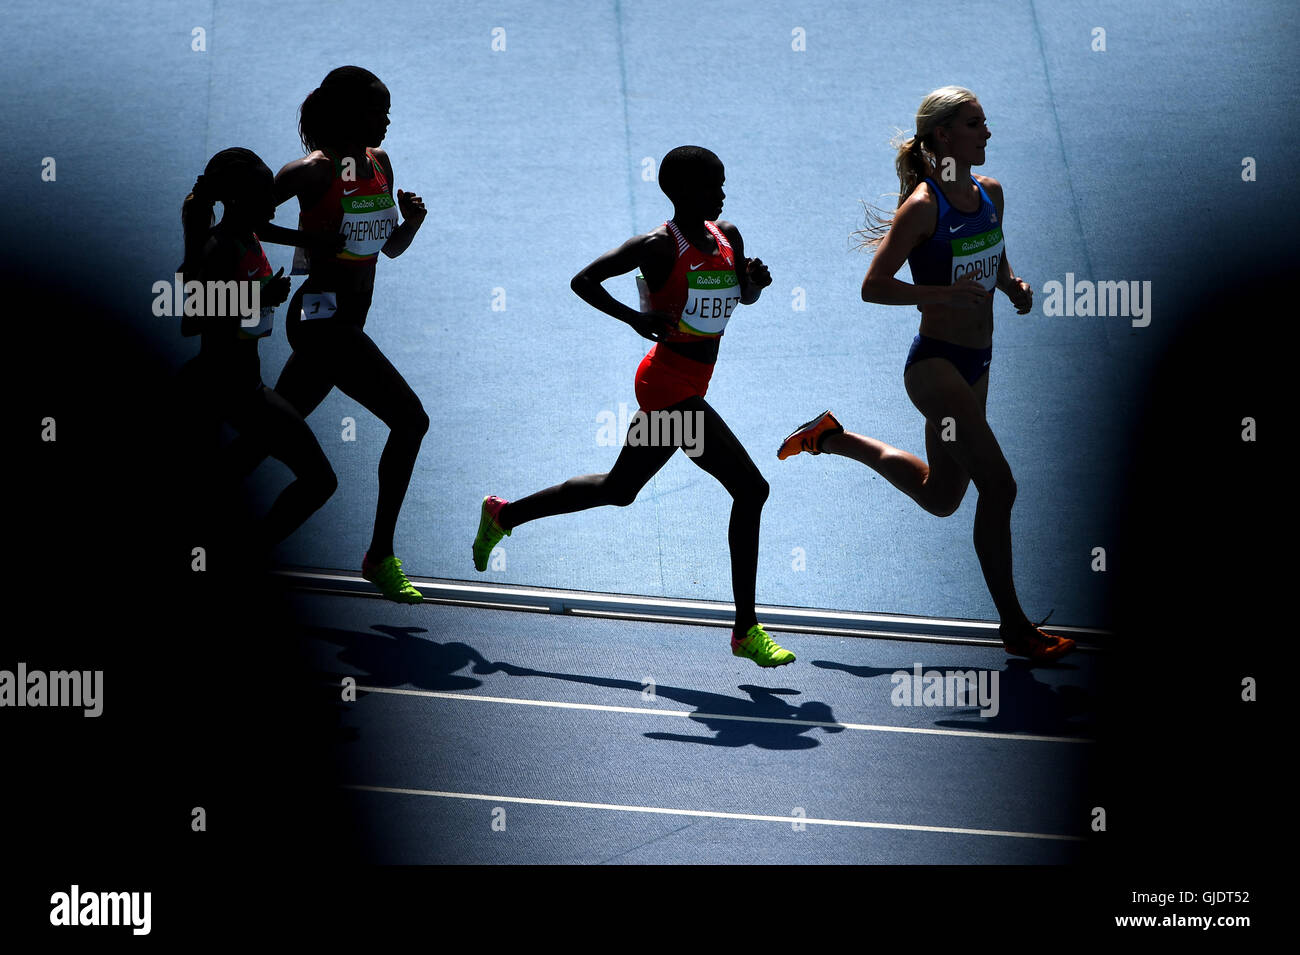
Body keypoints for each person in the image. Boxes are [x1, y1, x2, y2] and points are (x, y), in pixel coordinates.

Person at [778, 87, 1074, 661]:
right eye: (975, 124)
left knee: (941, 497)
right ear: (943, 138)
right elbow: (873, 287)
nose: (987, 133)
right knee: (1001, 485)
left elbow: (994, 252)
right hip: (934, 367)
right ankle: (1014, 628)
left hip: (978, 363)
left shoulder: (991, 193)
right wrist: (943, 293)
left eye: (985, 122)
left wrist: (1009, 283)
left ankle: (830, 437)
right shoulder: (923, 207)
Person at [473, 146, 795, 667]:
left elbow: (741, 299)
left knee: (618, 489)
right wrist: (632, 318)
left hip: (691, 382)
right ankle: (745, 630)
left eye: (723, 184)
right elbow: (583, 281)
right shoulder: (656, 248)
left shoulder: (728, 236)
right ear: (683, 192)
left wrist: (752, 284)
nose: (723, 193)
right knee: (752, 488)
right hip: (667, 386)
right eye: (714, 185)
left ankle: (504, 514)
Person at [231, 66, 429, 602]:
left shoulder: (380, 164)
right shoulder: (308, 173)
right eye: (377, 110)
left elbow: (386, 249)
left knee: (263, 440)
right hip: (321, 321)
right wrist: (309, 237)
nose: (387, 120)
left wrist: (409, 222)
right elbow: (247, 222)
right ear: (347, 114)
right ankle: (379, 556)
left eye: (387, 110)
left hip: (349, 321)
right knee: (411, 421)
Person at [176, 147, 337, 560]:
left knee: (218, 481)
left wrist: (313, 240)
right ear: (237, 201)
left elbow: (268, 230)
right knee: (319, 481)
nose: (273, 202)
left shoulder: (245, 233)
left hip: (241, 382)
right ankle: (245, 559)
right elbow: (191, 321)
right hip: (226, 387)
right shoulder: (219, 248)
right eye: (265, 196)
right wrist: (255, 296)